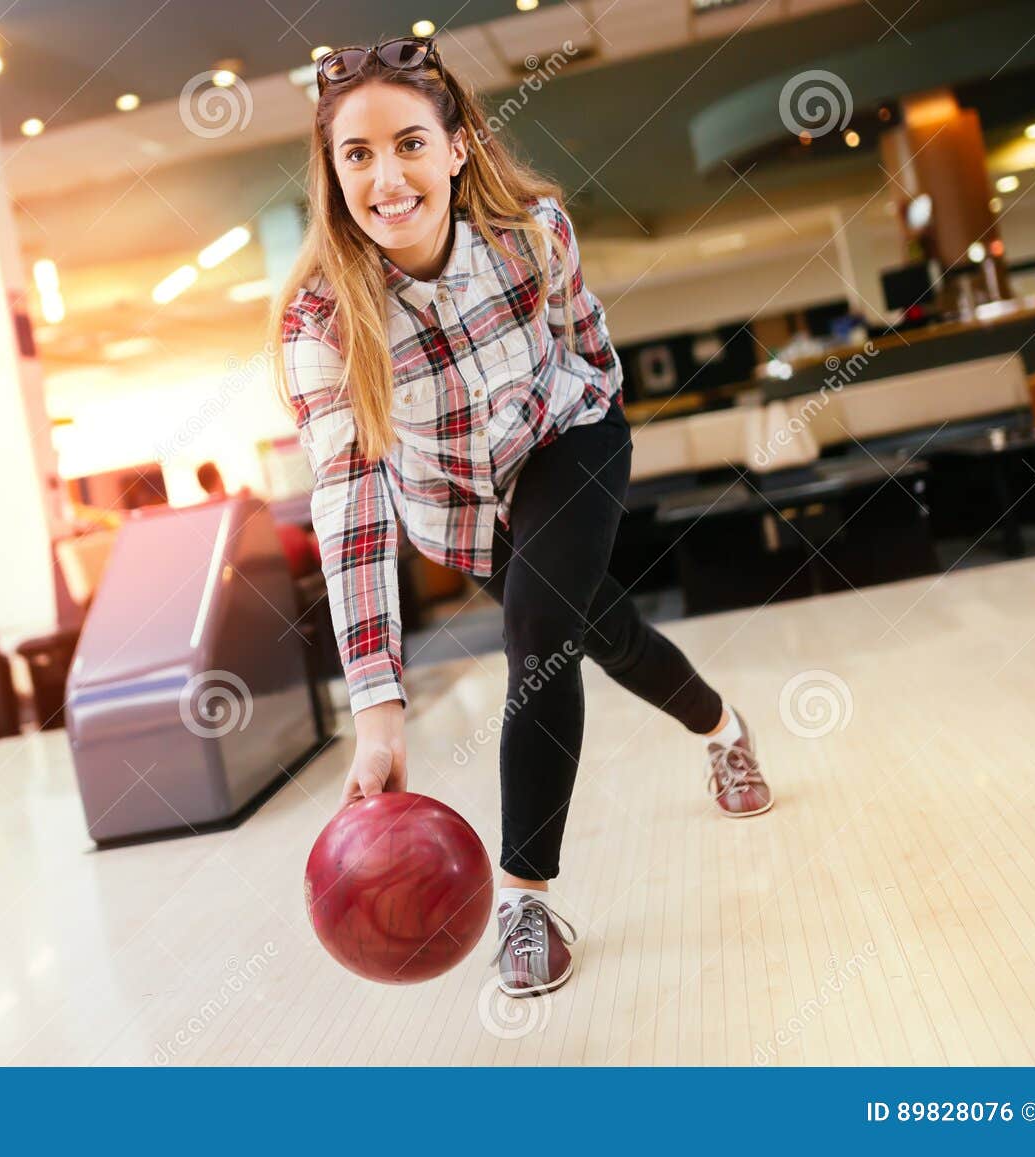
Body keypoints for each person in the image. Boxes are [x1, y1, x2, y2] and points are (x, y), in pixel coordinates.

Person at [270, 36, 774, 999]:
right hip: (459, 508)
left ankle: (525, 899)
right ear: (333, 174)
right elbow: (351, 511)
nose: (387, 178)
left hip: (566, 436)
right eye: (358, 154)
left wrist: (588, 440)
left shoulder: (530, 234)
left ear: (457, 147)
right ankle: (723, 727)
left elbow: (589, 345)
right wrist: (378, 716)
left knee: (539, 633)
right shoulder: (320, 321)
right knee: (601, 630)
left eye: (410, 143)